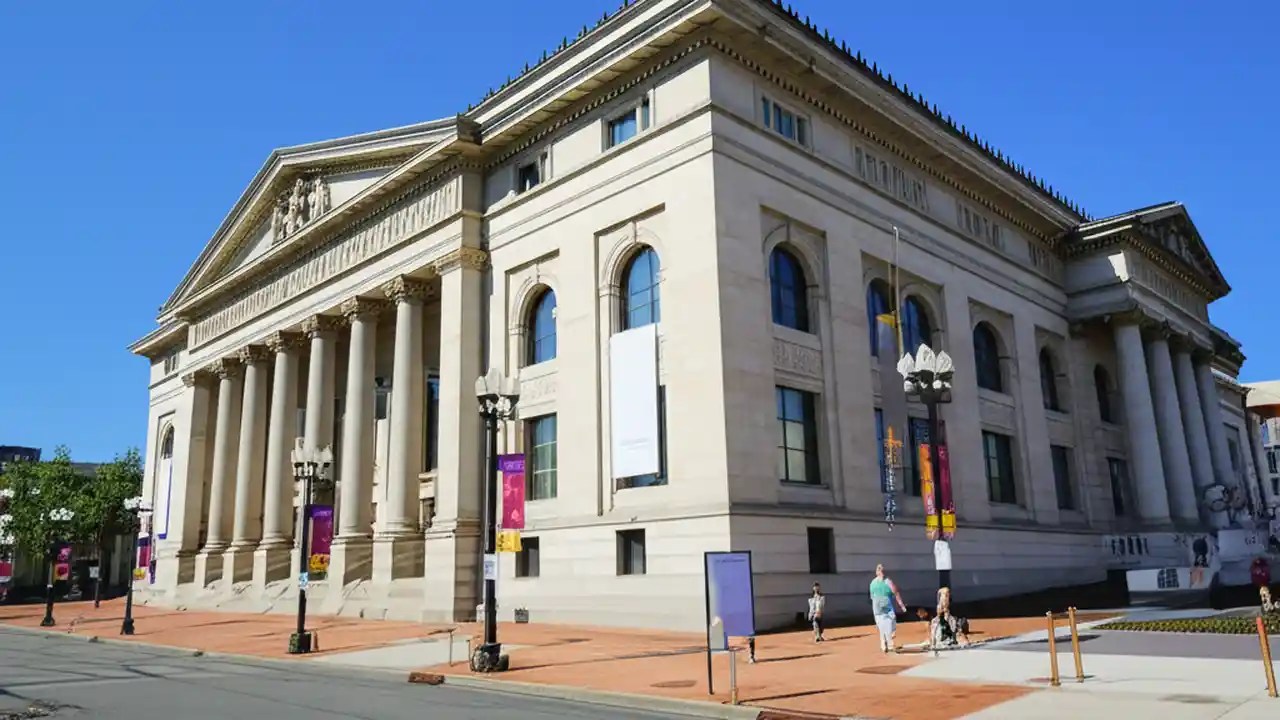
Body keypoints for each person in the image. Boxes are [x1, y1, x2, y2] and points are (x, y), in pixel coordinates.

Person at [869, 564, 907, 653]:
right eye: (880, 570)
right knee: (885, 623)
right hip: (880, 606)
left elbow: (895, 593)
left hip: (882, 606)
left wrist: (901, 605)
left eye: (881, 570)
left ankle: (887, 639)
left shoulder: (881, 582)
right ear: (877, 572)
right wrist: (901, 605)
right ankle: (886, 640)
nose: (881, 573)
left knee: (887, 622)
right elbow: (896, 593)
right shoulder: (879, 582)